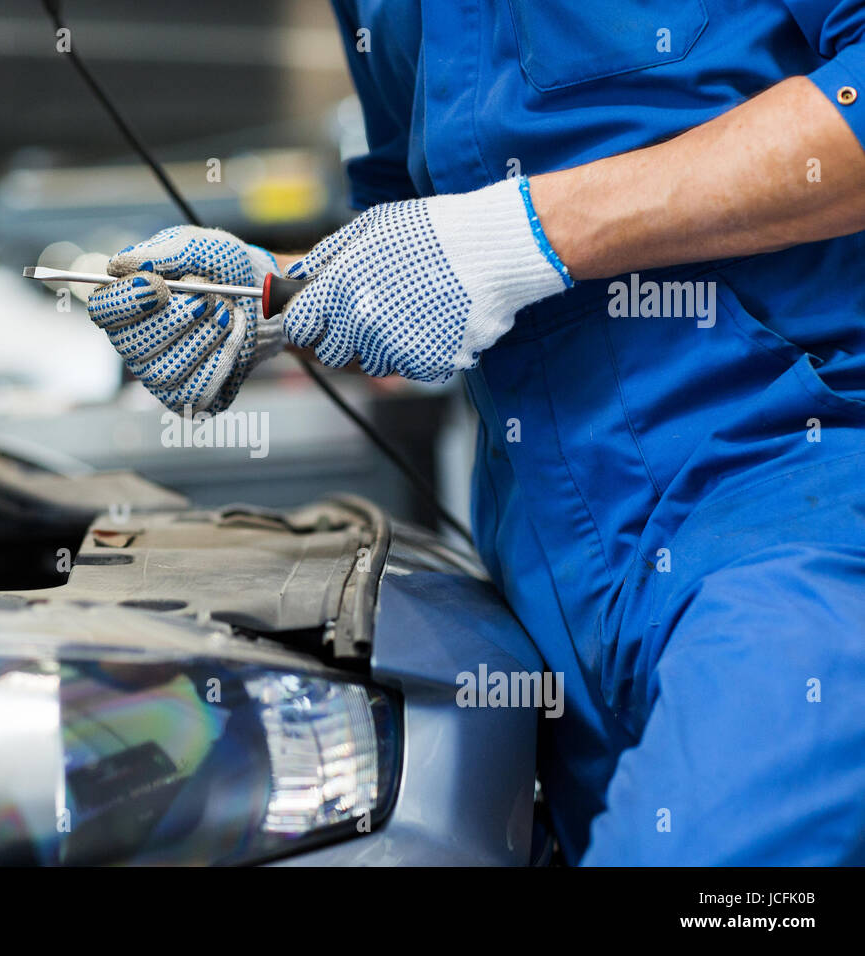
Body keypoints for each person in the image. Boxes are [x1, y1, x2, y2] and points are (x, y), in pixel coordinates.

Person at [84, 1, 865, 864]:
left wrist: (523, 235)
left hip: (801, 516)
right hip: (546, 586)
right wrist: (283, 297)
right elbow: (412, 242)